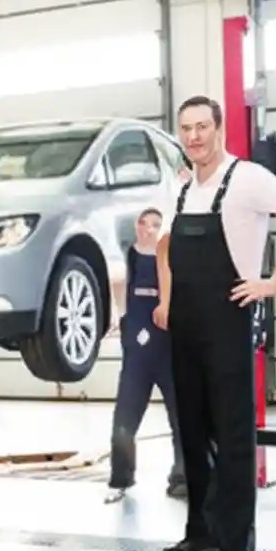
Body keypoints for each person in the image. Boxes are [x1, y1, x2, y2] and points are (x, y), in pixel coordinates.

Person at [153, 95, 276, 551]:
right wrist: (166, 300)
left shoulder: (247, 177)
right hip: (185, 325)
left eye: (202, 127)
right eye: (185, 129)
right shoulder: (182, 186)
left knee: (232, 440)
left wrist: (273, 281)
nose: (194, 137)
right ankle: (201, 535)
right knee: (193, 435)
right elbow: (165, 247)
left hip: (228, 321)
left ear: (219, 127)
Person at [104, 208, 186, 504]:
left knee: (181, 417)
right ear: (136, 226)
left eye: (155, 224)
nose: (149, 229)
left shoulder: (172, 258)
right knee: (125, 417)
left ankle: (183, 478)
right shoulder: (126, 256)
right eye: (144, 223)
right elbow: (115, 286)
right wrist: (118, 318)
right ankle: (120, 478)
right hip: (137, 349)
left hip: (168, 345)